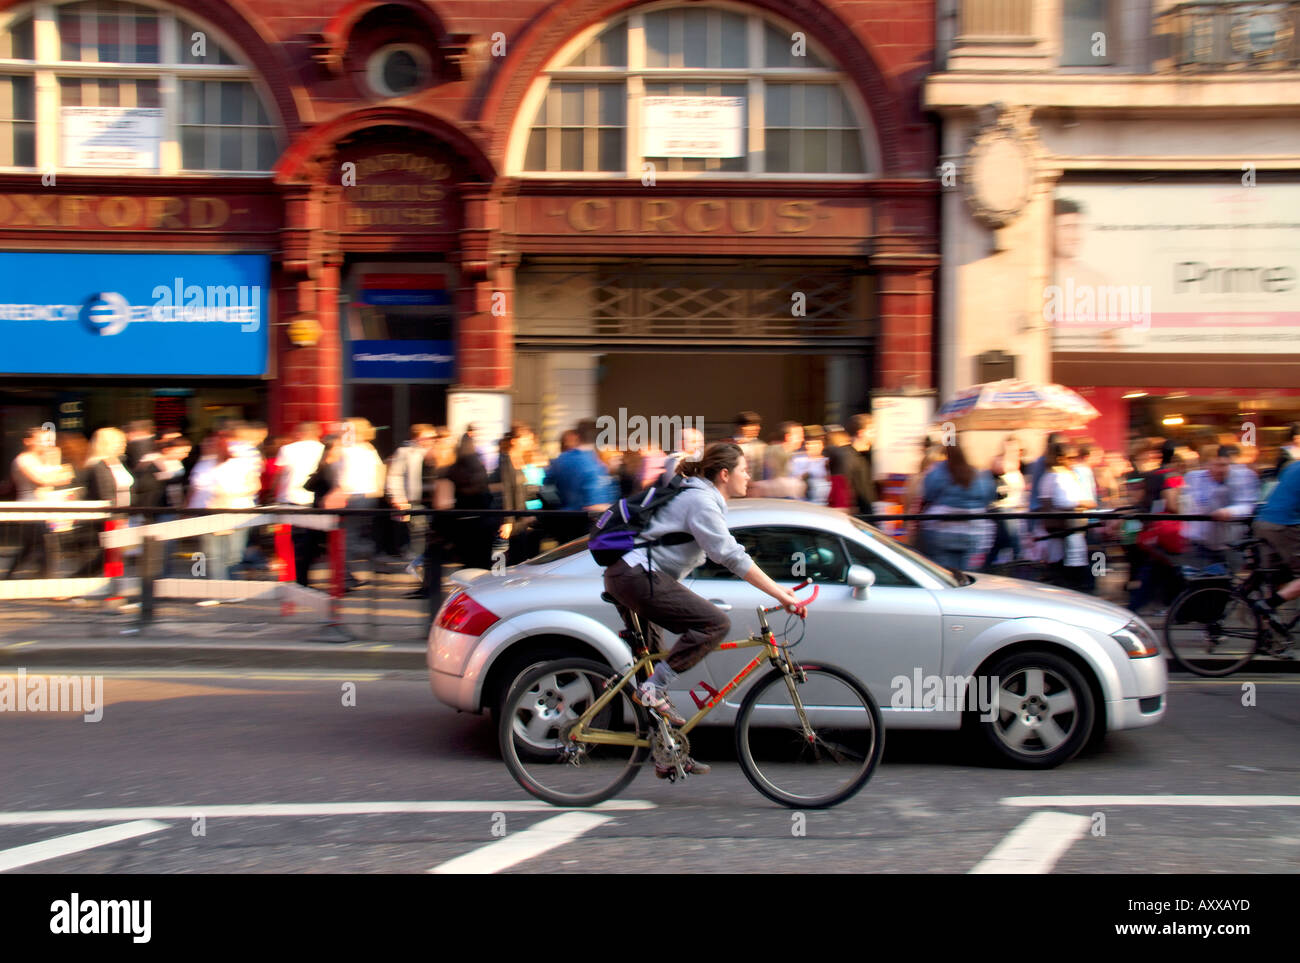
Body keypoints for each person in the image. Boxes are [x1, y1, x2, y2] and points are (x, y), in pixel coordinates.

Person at [602, 442, 808, 776]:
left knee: (654, 660)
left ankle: (666, 752)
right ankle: (652, 689)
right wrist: (780, 595)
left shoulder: (700, 496)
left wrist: (779, 590)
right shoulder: (700, 500)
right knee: (715, 624)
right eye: (744, 469)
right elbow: (729, 555)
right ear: (724, 474)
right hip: (636, 576)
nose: (748, 476)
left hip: (633, 575)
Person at [3, 427, 73, 579]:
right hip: (30, 507)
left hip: (47, 506)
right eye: (39, 440)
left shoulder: (44, 459)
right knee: (48, 544)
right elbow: (40, 480)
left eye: (45, 440)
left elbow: (66, 475)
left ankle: (10, 576)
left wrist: (55, 459)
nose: (43, 444)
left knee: (32, 546)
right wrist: (55, 478)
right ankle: (47, 581)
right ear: (27, 441)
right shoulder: (22, 460)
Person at [920, 436, 996, 572]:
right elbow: (988, 498)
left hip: (941, 532)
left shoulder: (937, 472)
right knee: (968, 576)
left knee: (944, 576)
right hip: (972, 533)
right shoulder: (979, 474)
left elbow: (928, 494)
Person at [1183, 444, 1260, 569]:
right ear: (1206, 464)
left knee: (1230, 584)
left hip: (1230, 543)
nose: (1221, 470)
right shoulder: (1193, 478)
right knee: (1201, 582)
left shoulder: (1243, 476)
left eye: (1224, 465)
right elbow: (1191, 505)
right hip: (1200, 542)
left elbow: (1248, 504)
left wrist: (1229, 511)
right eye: (1216, 465)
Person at [1251, 457, 1300, 637]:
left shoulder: (1293, 465)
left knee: (1274, 579)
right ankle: (1266, 605)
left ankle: (1267, 636)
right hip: (1283, 525)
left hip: (1263, 523)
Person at [983, 434, 1027, 570]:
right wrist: (1009, 453)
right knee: (1014, 541)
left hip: (1013, 507)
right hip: (1002, 508)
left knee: (1001, 542)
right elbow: (1001, 469)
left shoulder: (1019, 465)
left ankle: (988, 567)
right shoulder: (1000, 461)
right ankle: (1019, 567)